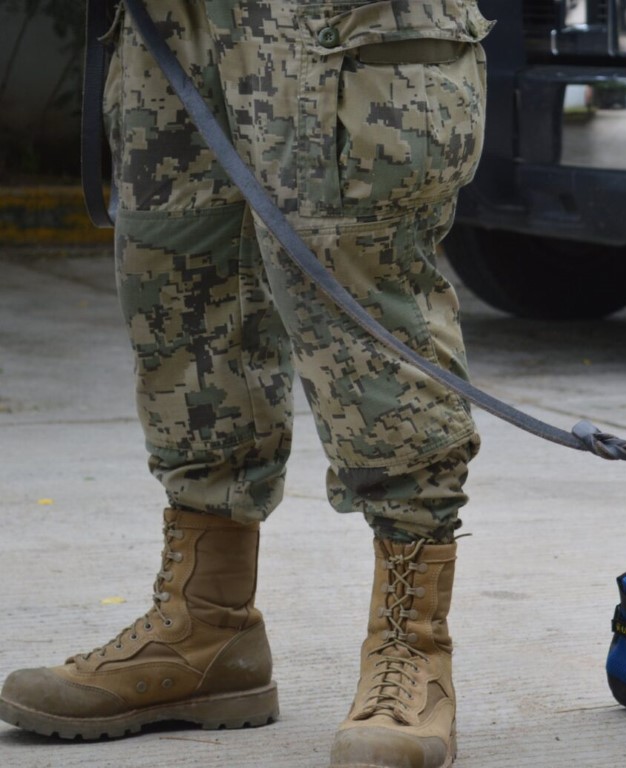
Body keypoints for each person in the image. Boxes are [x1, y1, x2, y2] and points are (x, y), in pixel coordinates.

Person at [0, 0, 491, 765]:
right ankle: (205, 628)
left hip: (338, 21)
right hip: (171, 19)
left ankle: (412, 646)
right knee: (179, 296)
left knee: (363, 294)